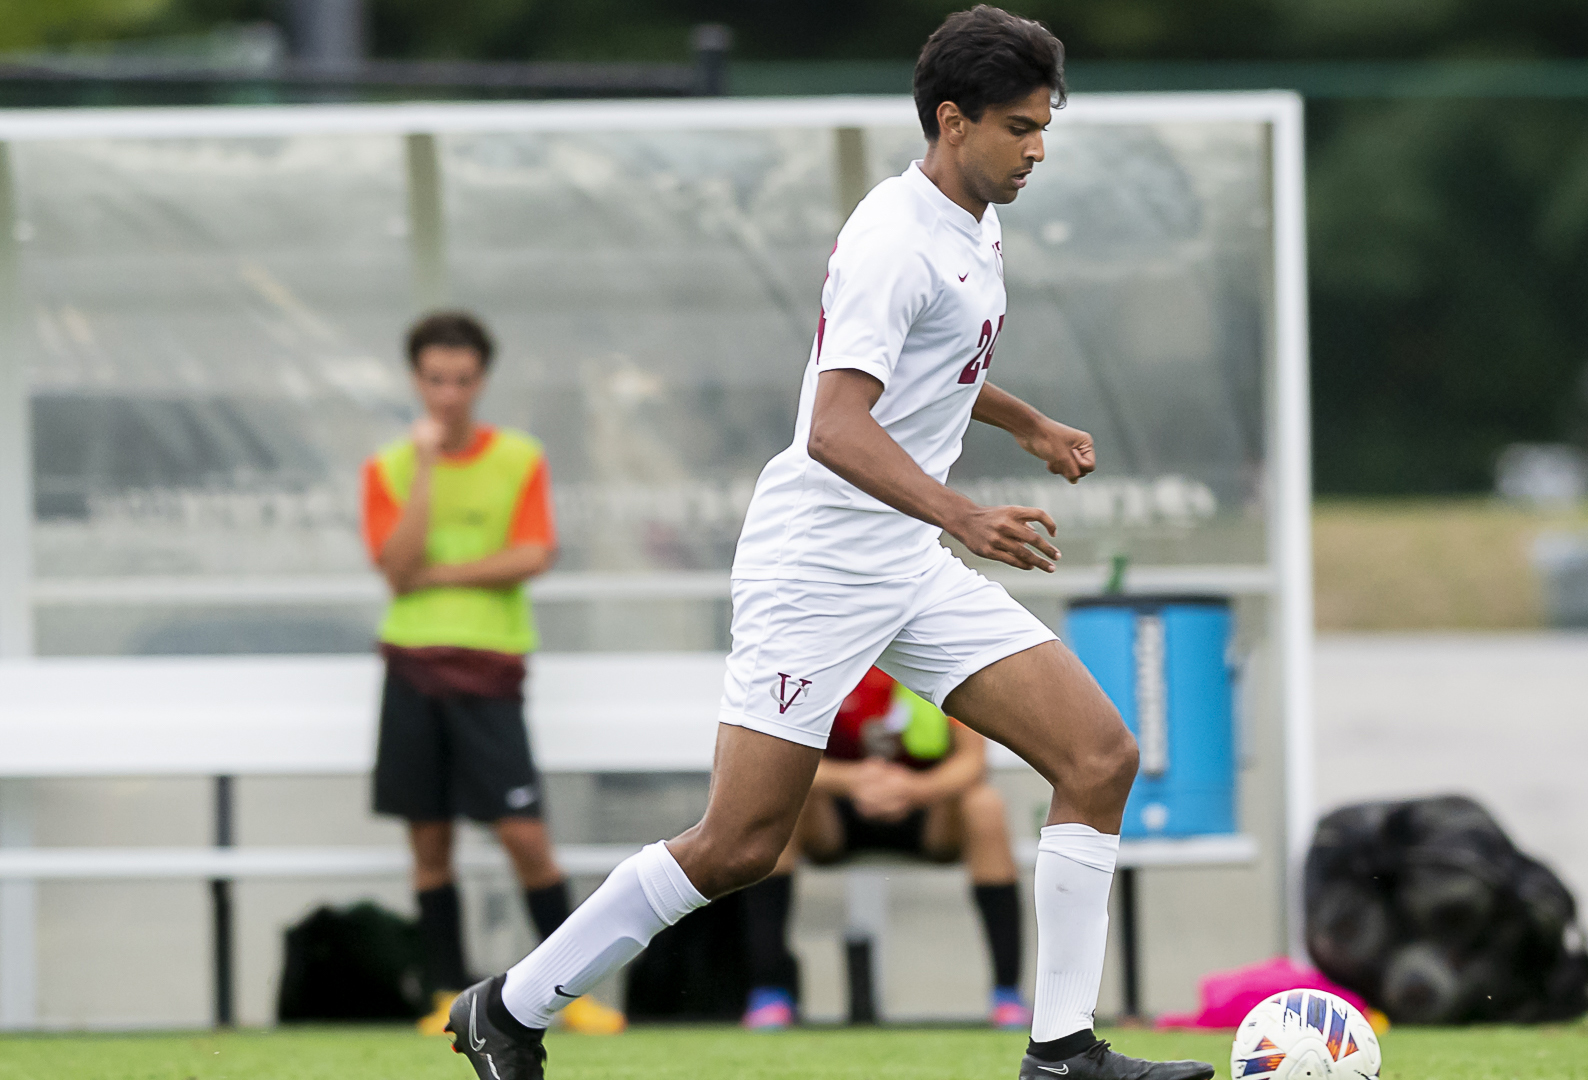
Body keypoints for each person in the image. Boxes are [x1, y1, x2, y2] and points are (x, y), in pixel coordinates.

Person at [446, 9, 1211, 1079]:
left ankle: (1062, 1052)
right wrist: (964, 513)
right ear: (953, 122)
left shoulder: (972, 221)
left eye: (1046, 127)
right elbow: (836, 424)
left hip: (904, 559)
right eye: (1020, 128)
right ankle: (513, 1005)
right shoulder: (893, 242)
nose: (1039, 148)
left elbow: (931, 365)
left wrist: (1024, 422)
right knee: (739, 845)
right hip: (818, 567)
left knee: (1099, 758)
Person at [364, 311, 625, 1037]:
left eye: (463, 380)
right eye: (435, 379)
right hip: (411, 667)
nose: (448, 394)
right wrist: (423, 467)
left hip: (489, 669)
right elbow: (394, 569)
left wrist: (440, 573)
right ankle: (445, 992)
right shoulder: (388, 465)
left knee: (522, 834)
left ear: (482, 380)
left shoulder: (519, 457)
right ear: (416, 380)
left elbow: (532, 554)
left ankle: (566, 993)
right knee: (429, 840)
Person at [737, 667, 1030, 1031]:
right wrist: (852, 780)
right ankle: (770, 992)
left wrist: (913, 789)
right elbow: (779, 756)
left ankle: (1007, 994)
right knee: (778, 798)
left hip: (928, 809)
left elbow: (973, 761)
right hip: (835, 817)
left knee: (985, 806)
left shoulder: (941, 655)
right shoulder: (819, 659)